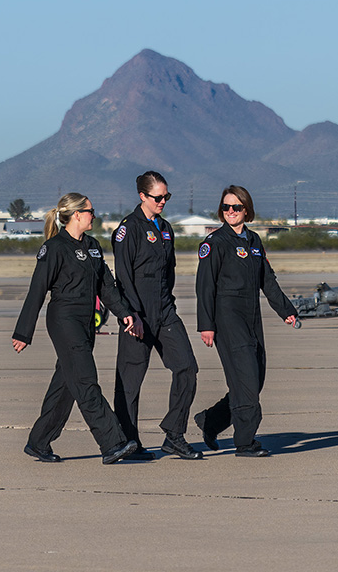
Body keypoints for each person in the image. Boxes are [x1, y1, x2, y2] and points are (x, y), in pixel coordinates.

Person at [12, 193, 141, 465]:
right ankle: (112, 442)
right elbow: (37, 291)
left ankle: (38, 442)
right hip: (63, 320)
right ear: (77, 214)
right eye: (91, 211)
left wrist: (125, 314)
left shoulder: (93, 246)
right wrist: (23, 333)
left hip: (85, 321)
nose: (95, 215)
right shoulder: (55, 248)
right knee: (85, 380)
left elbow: (106, 286)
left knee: (66, 384)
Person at [194, 185, 298, 457]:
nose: (231, 212)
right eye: (226, 207)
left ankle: (212, 420)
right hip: (226, 318)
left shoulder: (253, 242)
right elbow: (204, 286)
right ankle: (245, 441)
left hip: (251, 317)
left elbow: (267, 280)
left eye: (236, 207)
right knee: (246, 382)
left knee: (255, 378)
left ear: (246, 210)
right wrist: (206, 324)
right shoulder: (214, 243)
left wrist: (285, 309)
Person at [111, 171, 201, 460]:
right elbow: (123, 277)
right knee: (130, 381)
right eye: (158, 197)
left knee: (187, 367)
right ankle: (128, 442)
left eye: (166, 197)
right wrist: (131, 314)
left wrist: (167, 304)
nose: (163, 201)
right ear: (142, 196)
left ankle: (174, 434)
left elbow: (169, 271)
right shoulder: (129, 229)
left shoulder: (165, 228)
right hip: (137, 314)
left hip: (164, 310)